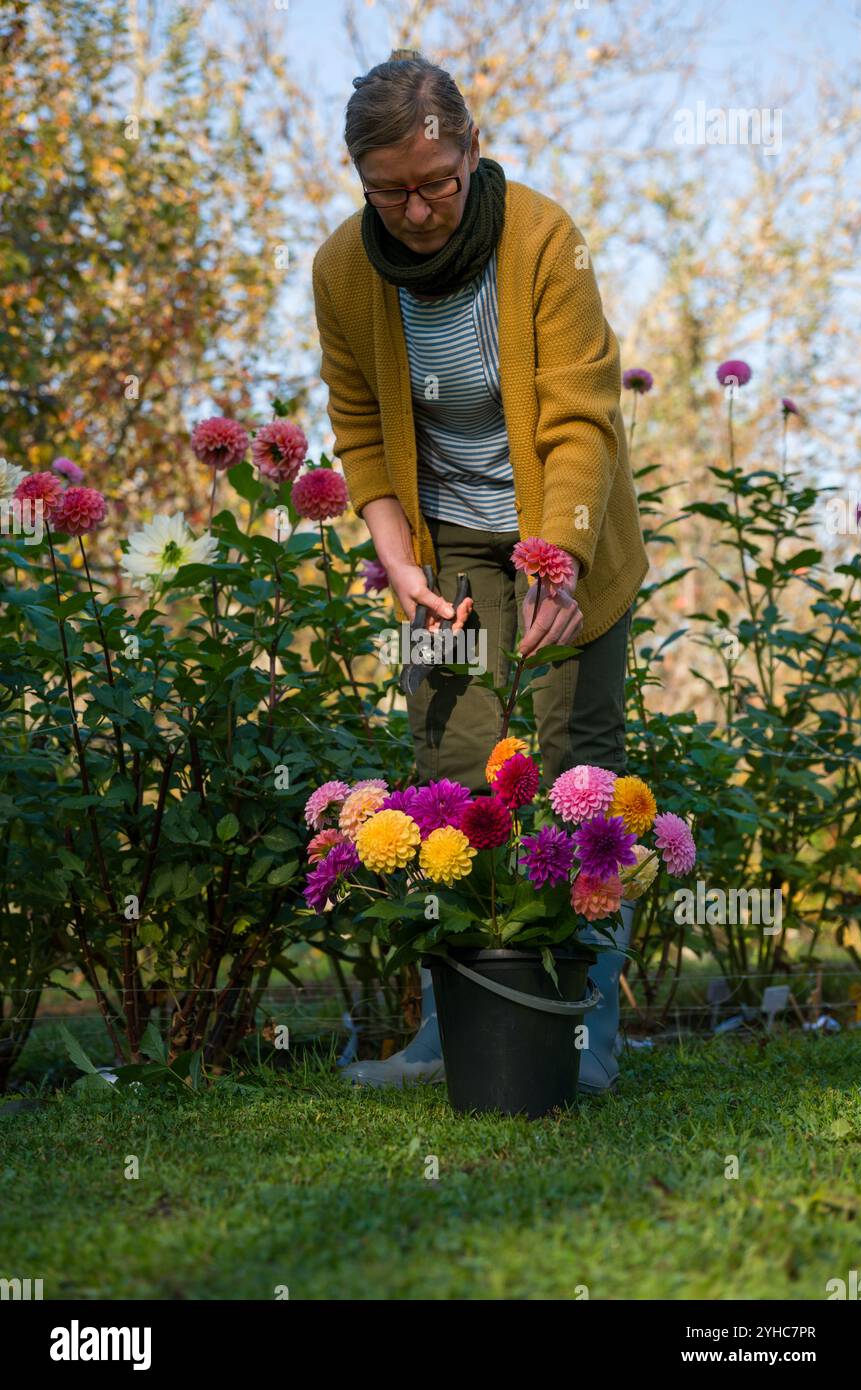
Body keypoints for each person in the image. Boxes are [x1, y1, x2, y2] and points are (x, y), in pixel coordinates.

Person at [312, 49, 650, 1094]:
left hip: (565, 530)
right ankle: (442, 1039)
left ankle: (585, 1036)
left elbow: (579, 417)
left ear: (469, 147)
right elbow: (361, 424)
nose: (416, 210)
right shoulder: (341, 269)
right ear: (361, 179)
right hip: (446, 544)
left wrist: (560, 560)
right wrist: (397, 556)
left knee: (574, 780)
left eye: (436, 183)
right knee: (450, 778)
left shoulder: (543, 240)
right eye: (390, 191)